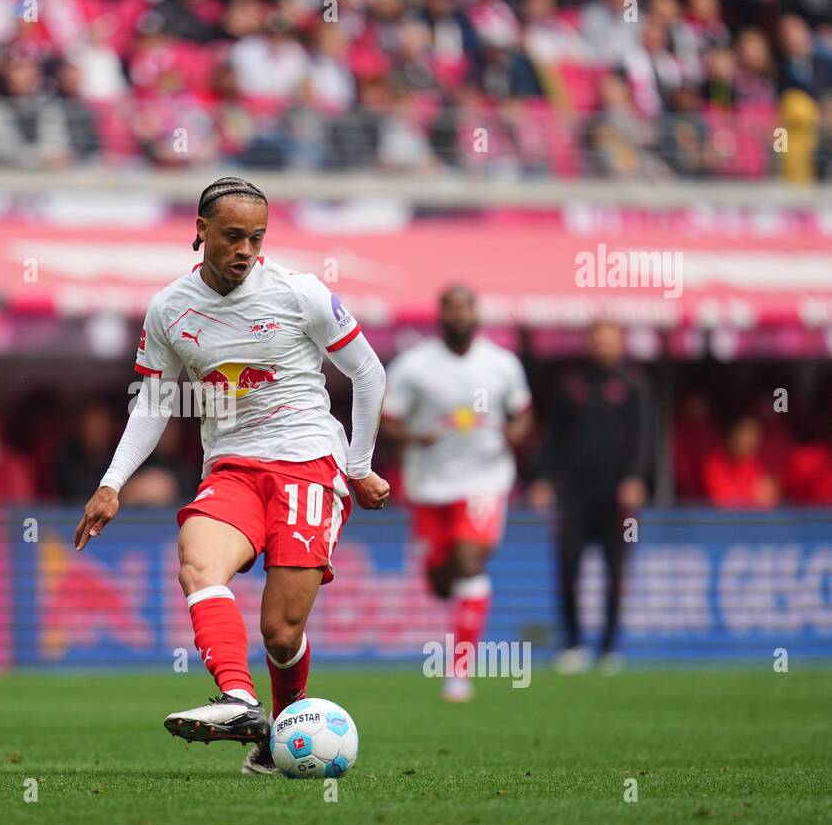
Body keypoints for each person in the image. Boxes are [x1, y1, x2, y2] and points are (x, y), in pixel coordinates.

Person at [74, 176, 389, 775]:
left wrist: (360, 465)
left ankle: (277, 735)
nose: (246, 249)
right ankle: (240, 701)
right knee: (197, 556)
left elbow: (369, 374)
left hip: (306, 463)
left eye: (256, 237)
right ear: (201, 231)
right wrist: (111, 483)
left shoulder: (300, 294)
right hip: (232, 466)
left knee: (280, 630)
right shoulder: (170, 308)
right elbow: (153, 402)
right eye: (233, 236)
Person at [382, 285, 532, 702]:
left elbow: (523, 414)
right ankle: (455, 602)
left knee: (470, 561)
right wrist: (415, 437)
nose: (461, 316)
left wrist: (511, 434)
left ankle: (459, 671)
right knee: (440, 581)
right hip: (430, 485)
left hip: (484, 479)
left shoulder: (501, 365)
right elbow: (387, 420)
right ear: (441, 315)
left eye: (467, 308)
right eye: (453, 309)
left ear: (476, 314)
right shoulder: (414, 367)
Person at [528, 321, 652, 674]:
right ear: (589, 343)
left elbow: (645, 438)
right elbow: (552, 438)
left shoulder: (634, 385)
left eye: (609, 341)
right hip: (574, 496)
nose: (603, 347)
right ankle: (572, 644)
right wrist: (543, 479)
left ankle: (610, 648)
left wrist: (635, 478)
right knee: (568, 569)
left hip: (617, 497)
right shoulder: (572, 385)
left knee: (615, 572)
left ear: (621, 343)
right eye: (597, 341)